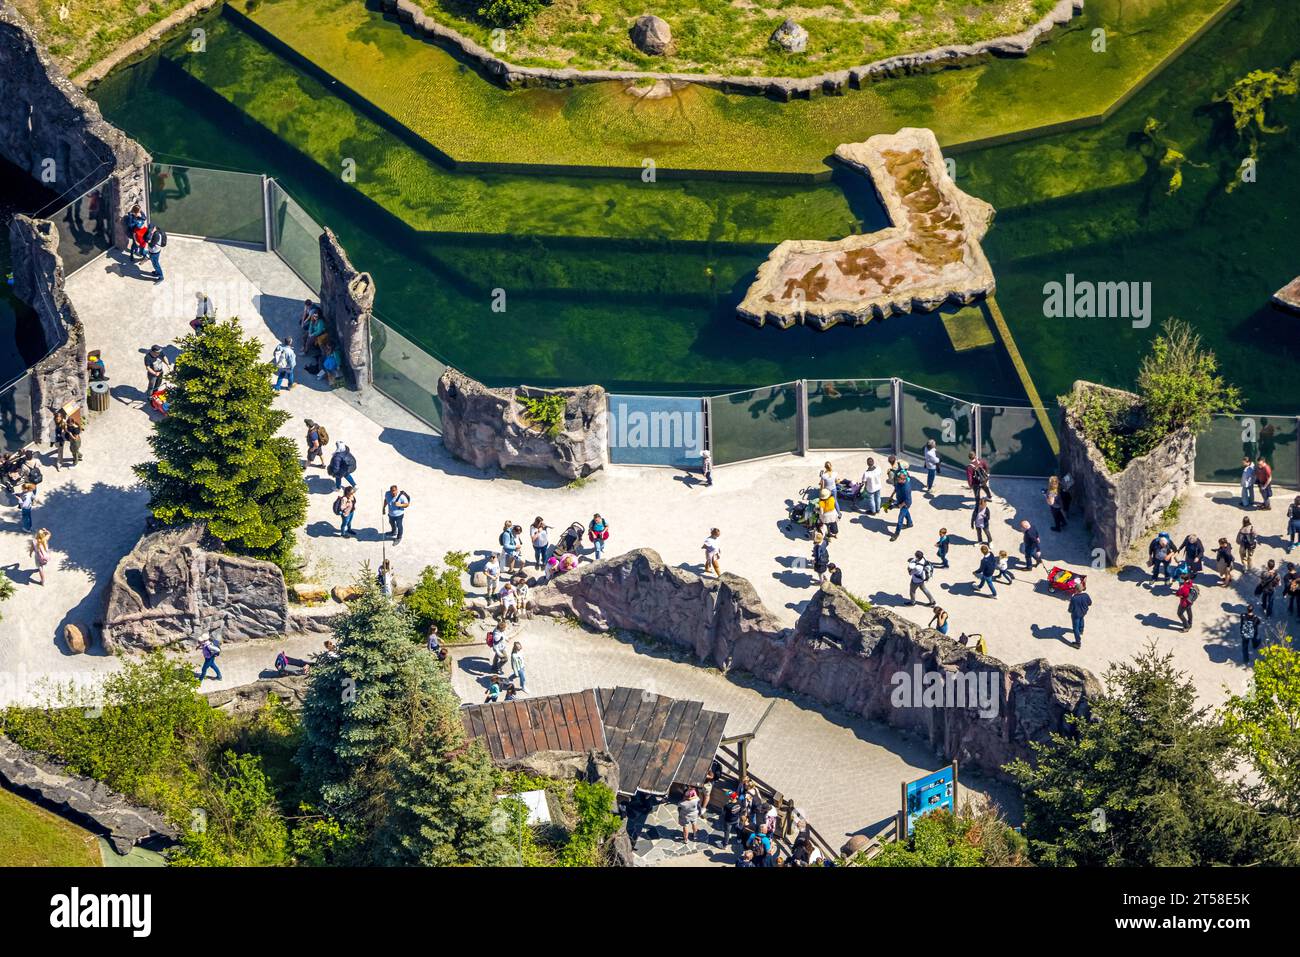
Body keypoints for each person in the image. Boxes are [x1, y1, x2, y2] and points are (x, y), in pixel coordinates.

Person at [1068, 580, 1091, 648]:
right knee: (1082, 619)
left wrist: (1070, 611)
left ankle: (1078, 643)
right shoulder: (1086, 595)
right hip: (1083, 612)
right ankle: (1081, 630)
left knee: (1075, 628)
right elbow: (1090, 603)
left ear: (1076, 590)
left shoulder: (1074, 598)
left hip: (1076, 614)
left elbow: (1070, 609)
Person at [891, 469, 913, 540]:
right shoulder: (898, 482)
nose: (897, 479)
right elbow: (896, 489)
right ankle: (910, 524)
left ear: (903, 479)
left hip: (905, 504)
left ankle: (896, 534)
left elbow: (907, 500)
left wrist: (900, 505)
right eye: (897, 478)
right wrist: (891, 496)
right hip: (900, 501)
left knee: (900, 519)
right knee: (906, 513)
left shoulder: (907, 488)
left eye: (899, 478)